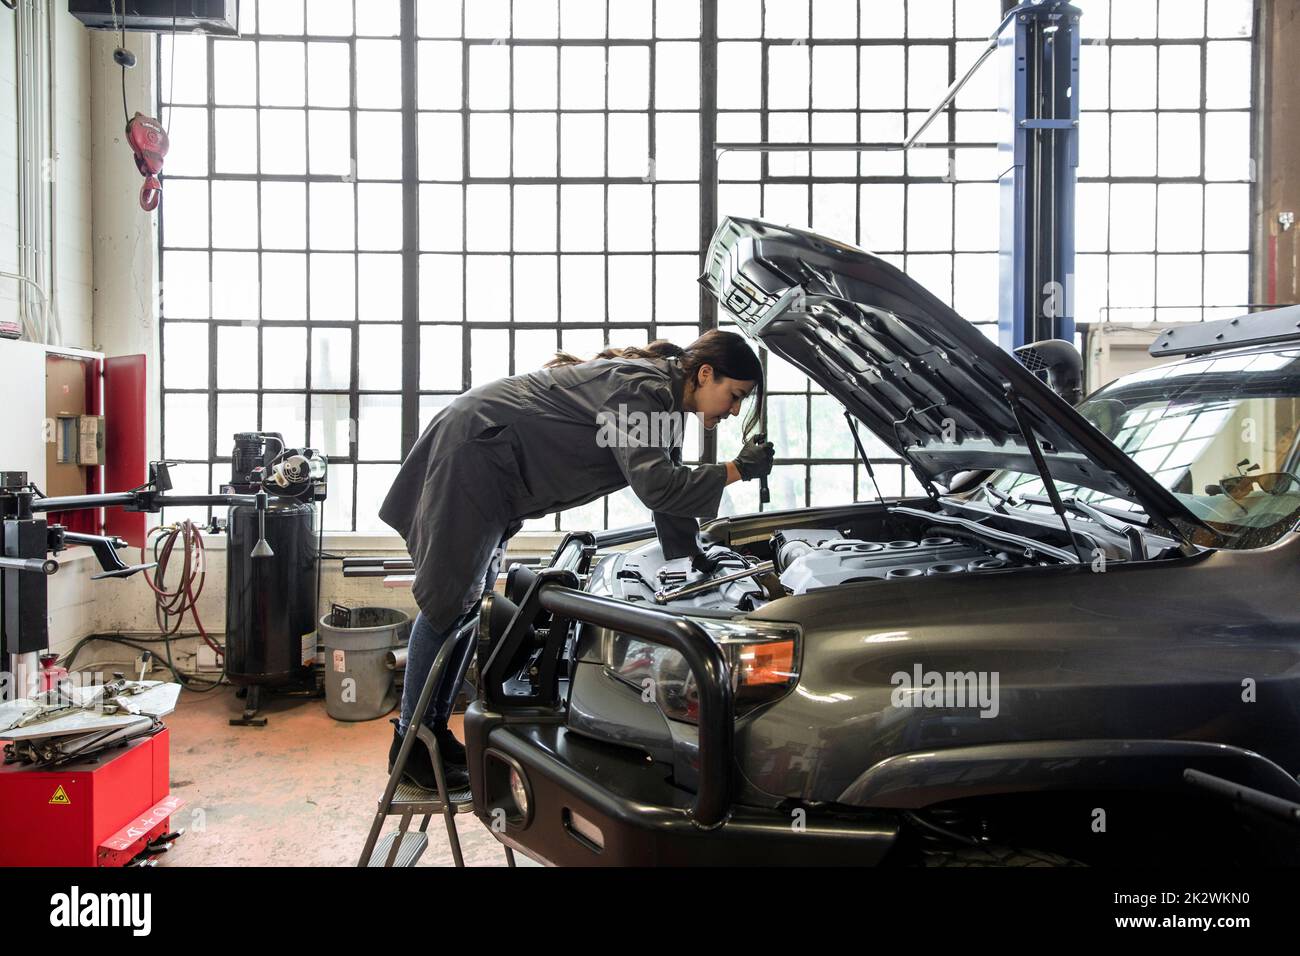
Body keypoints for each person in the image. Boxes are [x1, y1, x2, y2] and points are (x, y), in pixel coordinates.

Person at [378, 329, 774, 791]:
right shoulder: (643, 391)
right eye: (734, 396)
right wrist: (737, 470)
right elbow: (659, 486)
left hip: (491, 463)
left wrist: (696, 559)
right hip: (475, 452)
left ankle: (432, 733)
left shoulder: (665, 401)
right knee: (449, 604)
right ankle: (410, 743)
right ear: (705, 374)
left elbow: (666, 494)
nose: (733, 411)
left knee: (471, 604)